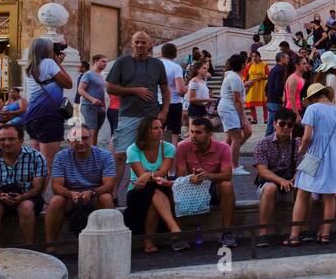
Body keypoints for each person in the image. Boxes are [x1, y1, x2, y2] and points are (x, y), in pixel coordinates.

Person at [105, 31, 170, 198]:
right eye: (137, 42)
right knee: (120, 154)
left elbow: (164, 88)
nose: (140, 45)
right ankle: (112, 194)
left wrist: (164, 111)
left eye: (143, 42)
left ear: (150, 45)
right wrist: (134, 90)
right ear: (131, 44)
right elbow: (110, 87)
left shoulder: (157, 64)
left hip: (151, 115)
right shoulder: (122, 62)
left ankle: (154, 188)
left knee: (153, 153)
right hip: (128, 115)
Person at [287, 83, 336, 245]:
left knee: (302, 193)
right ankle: (325, 235)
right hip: (335, 157)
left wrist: (301, 150)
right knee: (329, 196)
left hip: (314, 154)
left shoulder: (312, 109)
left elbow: (307, 137)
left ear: (312, 97)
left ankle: (294, 235)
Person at [44, 126, 117, 249]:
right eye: (76, 139)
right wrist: (71, 194)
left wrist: (92, 192)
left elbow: (109, 185)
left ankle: (106, 244)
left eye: (84, 138)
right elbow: (56, 186)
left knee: (106, 198)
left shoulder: (105, 155)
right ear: (69, 141)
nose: (81, 142)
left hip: (95, 195)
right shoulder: (61, 157)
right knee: (56, 200)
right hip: (70, 197)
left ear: (91, 138)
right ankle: (50, 246)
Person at [123, 115, 188, 253]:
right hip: (137, 189)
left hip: (159, 186)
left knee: (154, 195)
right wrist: (148, 176)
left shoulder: (169, 147)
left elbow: (164, 170)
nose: (160, 130)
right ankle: (174, 229)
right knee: (152, 188)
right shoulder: (133, 149)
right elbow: (141, 177)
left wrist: (149, 175)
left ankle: (150, 241)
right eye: (155, 128)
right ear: (146, 131)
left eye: (161, 127)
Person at [0, 123, 47, 247]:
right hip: (0, 195)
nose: (7, 143)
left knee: (26, 207)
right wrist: (1, 196)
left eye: (11, 139)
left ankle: (29, 248)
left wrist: (21, 197)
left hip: (28, 195)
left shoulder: (37, 157)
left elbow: (38, 188)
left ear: (21, 140)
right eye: (2, 139)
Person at [175, 117, 238, 248]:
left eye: (198, 132)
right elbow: (180, 175)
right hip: (190, 187)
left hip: (212, 187)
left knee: (227, 185)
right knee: (175, 187)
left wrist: (207, 176)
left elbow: (228, 175)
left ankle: (227, 232)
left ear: (210, 134)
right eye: (192, 132)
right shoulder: (182, 147)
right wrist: (190, 178)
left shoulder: (224, 148)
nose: (193, 136)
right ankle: (179, 235)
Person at [22, 37, 74, 185]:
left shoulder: (30, 67)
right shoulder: (50, 63)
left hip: (32, 116)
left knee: (38, 161)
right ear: (46, 50)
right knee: (47, 163)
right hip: (49, 116)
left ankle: (32, 194)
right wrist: (58, 63)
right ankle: (38, 198)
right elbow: (69, 83)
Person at [253, 108, 298, 247]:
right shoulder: (263, 144)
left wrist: (294, 179)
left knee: (304, 188)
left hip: (290, 183)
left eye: (290, 125)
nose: (286, 127)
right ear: (274, 124)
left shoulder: (297, 144)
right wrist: (281, 181)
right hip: (269, 183)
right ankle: (262, 233)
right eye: (282, 124)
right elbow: (262, 171)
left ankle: (300, 231)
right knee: (271, 188)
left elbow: (301, 167)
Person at [216, 54, 252, 175]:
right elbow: (237, 99)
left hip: (228, 108)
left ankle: (223, 158)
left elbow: (238, 95)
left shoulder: (233, 76)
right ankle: (233, 166)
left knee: (237, 135)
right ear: (242, 65)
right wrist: (242, 117)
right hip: (229, 108)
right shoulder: (235, 78)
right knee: (237, 138)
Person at [78, 54, 110, 144]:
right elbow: (80, 90)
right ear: (95, 61)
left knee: (95, 133)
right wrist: (92, 99)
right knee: (91, 133)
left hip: (100, 107)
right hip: (89, 106)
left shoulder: (102, 75)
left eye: (106, 62)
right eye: (103, 61)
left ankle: (94, 153)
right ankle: (89, 155)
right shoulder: (88, 74)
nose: (105, 64)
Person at [243, 52, 268, 126]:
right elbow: (244, 75)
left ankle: (266, 118)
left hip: (261, 85)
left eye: (256, 56)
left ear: (259, 57)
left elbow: (268, 74)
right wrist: (245, 82)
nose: (254, 57)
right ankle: (254, 118)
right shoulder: (249, 65)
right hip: (252, 86)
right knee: (250, 103)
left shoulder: (264, 64)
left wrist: (262, 77)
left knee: (264, 103)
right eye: (253, 56)